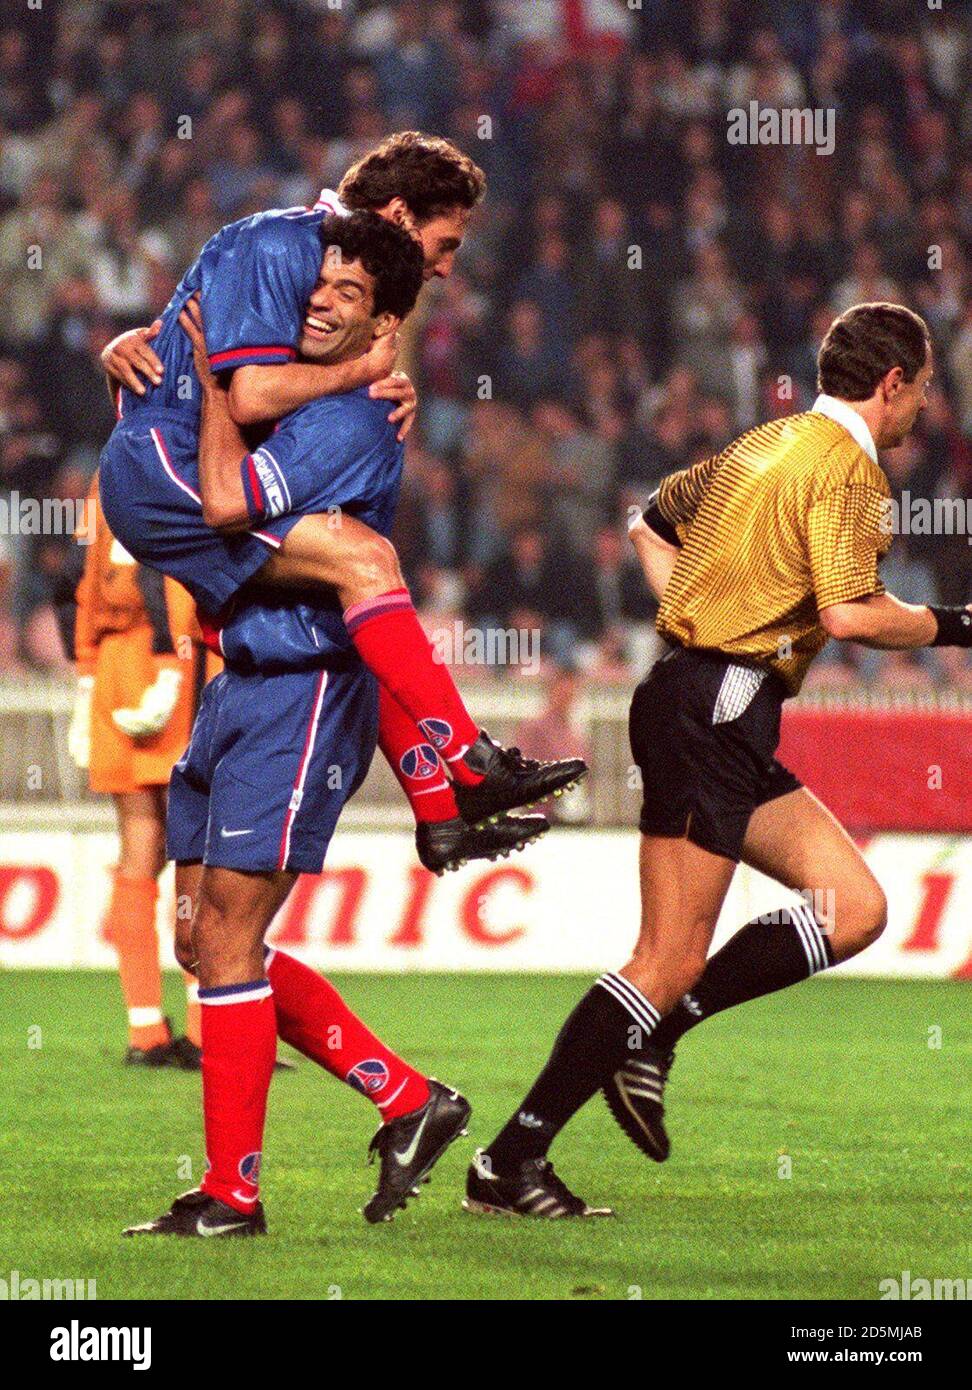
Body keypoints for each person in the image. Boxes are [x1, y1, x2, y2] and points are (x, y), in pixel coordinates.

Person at [463, 302, 972, 1218]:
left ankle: (659, 1038)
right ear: (891, 385)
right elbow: (853, 614)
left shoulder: (761, 445)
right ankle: (511, 1160)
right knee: (662, 961)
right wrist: (959, 625)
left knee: (854, 908)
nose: (924, 409)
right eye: (924, 389)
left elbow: (649, 524)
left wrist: (691, 620)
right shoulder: (850, 471)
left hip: (702, 696)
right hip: (724, 703)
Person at [123, 215, 489, 1239]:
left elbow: (230, 505)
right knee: (202, 941)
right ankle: (408, 1098)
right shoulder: (288, 371)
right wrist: (153, 368)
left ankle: (233, 1196)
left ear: (384, 320)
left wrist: (216, 391)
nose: (322, 295)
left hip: (299, 686)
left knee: (233, 934)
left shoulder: (356, 412)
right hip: (233, 678)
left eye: (351, 290)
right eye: (321, 279)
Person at [98, 132, 585, 874]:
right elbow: (248, 391)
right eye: (444, 242)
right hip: (166, 471)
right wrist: (359, 369)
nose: (449, 266)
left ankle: (441, 804)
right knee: (364, 561)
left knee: (355, 602)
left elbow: (220, 375)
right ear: (396, 212)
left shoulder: (317, 270)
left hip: (184, 469)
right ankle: (468, 757)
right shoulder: (283, 241)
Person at [56, 478, 210, 1067]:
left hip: (115, 663)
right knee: (197, 846)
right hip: (173, 654)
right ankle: (205, 1028)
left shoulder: (103, 481)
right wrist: (174, 664)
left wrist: (87, 675)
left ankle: (145, 1029)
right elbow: (164, 563)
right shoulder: (176, 456)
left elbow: (72, 585)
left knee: (139, 845)